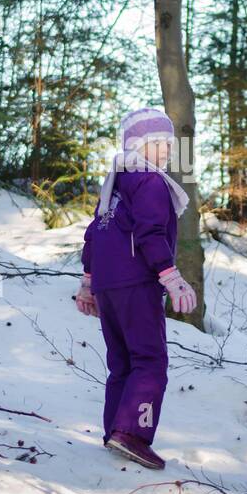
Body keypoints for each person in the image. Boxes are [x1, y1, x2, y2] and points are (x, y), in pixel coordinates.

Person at [75, 108, 197, 470]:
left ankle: (115, 430)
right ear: (137, 145)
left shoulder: (113, 184)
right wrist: (170, 275)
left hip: (110, 286)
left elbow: (95, 233)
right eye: (156, 143)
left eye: (168, 144)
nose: (165, 151)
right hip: (137, 282)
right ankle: (133, 434)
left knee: (123, 363)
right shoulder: (150, 181)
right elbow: (150, 233)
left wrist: (89, 283)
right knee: (150, 360)